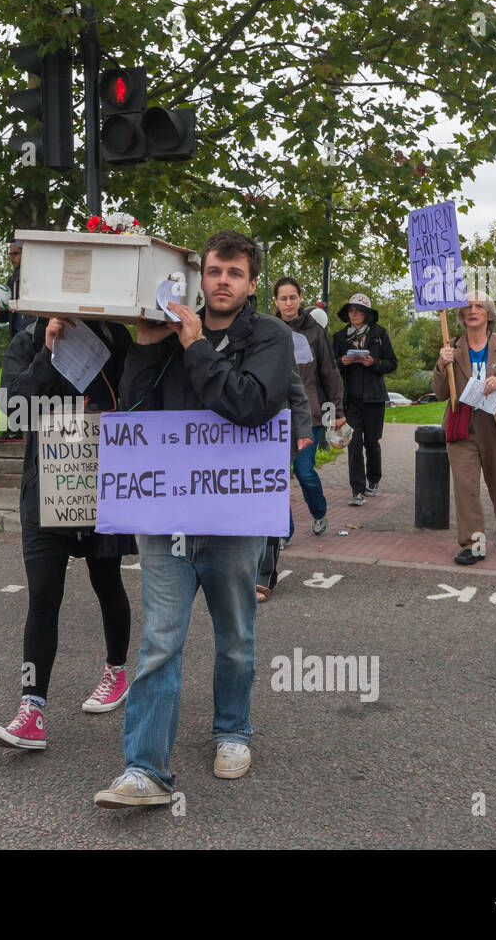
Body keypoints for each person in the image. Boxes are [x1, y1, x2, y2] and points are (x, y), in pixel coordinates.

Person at [93, 230, 297, 808]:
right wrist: (145, 346)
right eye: (214, 271)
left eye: (235, 273)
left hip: (233, 518)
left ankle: (231, 730)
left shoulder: (270, 337)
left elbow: (251, 405)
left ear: (253, 283)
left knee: (234, 637)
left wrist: (196, 348)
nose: (223, 281)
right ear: (199, 278)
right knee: (159, 641)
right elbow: (133, 415)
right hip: (166, 517)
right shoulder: (171, 333)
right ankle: (144, 769)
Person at [0, 315, 136, 750]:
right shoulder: (26, 341)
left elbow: (137, 397)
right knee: (43, 597)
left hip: (101, 481)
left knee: (106, 581)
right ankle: (31, 711)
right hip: (45, 486)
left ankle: (117, 672)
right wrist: (48, 352)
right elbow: (13, 409)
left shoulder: (112, 335)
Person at [433, 292, 496, 565]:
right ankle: (472, 544)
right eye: (468, 306)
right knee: (466, 487)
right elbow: (440, 392)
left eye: (479, 306)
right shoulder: (451, 346)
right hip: (463, 425)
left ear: (489, 314)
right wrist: (442, 364)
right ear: (462, 315)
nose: (473, 310)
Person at [273, 277, 344, 534]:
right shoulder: (268, 329)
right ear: (276, 301)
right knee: (277, 477)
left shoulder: (314, 330)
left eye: (293, 297)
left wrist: (337, 410)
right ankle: (284, 530)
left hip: (308, 414)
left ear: (300, 298)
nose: (289, 303)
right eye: (283, 298)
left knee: (304, 473)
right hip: (275, 415)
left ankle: (319, 511)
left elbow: (330, 372)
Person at [331, 293, 398, 506]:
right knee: (353, 444)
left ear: (367, 314)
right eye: (351, 310)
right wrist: (341, 361)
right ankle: (357, 490)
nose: (354, 314)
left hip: (374, 398)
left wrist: (374, 362)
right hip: (350, 400)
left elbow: (392, 363)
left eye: (358, 311)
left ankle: (374, 479)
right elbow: (330, 366)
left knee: (372, 443)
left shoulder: (379, 334)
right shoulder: (340, 337)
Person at [255, 375, 314, 603]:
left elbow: (295, 389)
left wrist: (302, 428)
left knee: (268, 502)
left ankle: (265, 574)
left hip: (270, 429)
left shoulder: (276, 339)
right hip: (225, 430)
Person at [0, 241, 30, 443]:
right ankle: (16, 428)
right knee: (18, 383)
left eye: (16, 253)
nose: (12, 257)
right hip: (19, 339)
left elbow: (24, 310)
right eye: (10, 254)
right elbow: (12, 316)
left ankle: (17, 429)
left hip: (29, 340)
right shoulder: (14, 277)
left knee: (14, 382)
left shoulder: (29, 276)